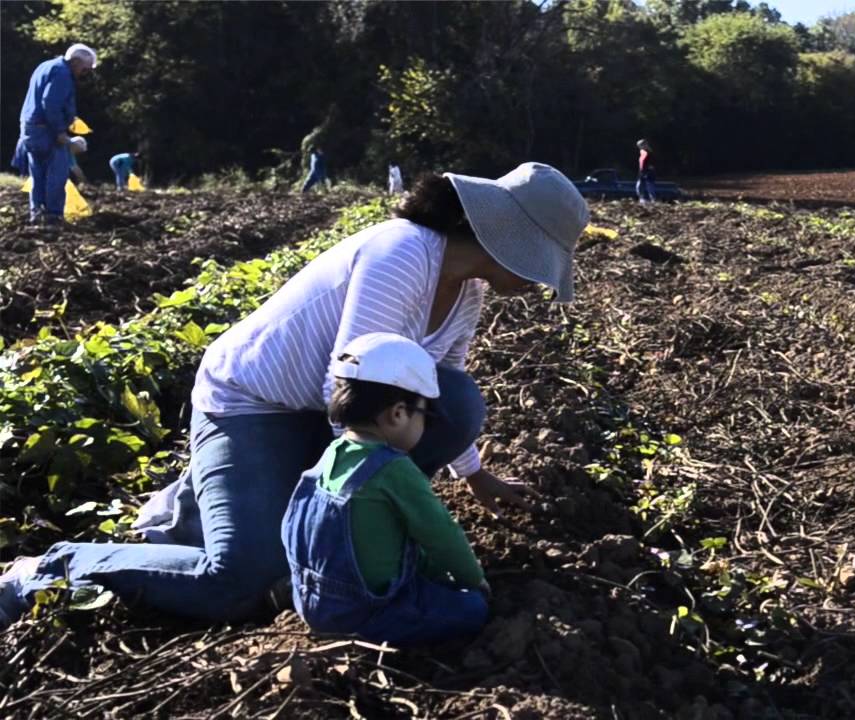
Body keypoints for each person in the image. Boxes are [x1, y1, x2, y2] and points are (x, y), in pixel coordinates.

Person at [0, 162, 589, 629]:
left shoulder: (466, 294)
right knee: (241, 581)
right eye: (543, 261)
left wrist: (474, 477)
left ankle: (219, 502)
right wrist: (347, 520)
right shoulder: (403, 253)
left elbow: (434, 388)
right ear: (507, 238)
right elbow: (354, 384)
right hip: (251, 405)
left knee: (457, 403)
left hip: (321, 410)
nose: (540, 280)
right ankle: (50, 567)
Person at [282, 332, 488, 644]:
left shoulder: (331, 454)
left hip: (309, 601)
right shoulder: (395, 469)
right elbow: (441, 536)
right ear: (398, 413)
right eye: (425, 414)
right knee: (473, 608)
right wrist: (474, 580)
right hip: (365, 613)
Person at [15, 43, 97, 224]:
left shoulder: (45, 66)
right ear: (75, 62)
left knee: (37, 174)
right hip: (47, 130)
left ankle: (36, 215)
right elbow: (50, 103)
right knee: (56, 174)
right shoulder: (62, 73)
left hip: (30, 128)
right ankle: (53, 217)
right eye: (85, 69)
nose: (85, 74)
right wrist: (60, 131)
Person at [636, 139, 657, 203]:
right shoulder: (642, 152)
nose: (639, 147)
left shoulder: (649, 153)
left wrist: (648, 169)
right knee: (639, 186)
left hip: (648, 171)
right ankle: (642, 199)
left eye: (640, 145)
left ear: (645, 145)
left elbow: (651, 163)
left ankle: (653, 200)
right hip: (642, 171)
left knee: (649, 186)